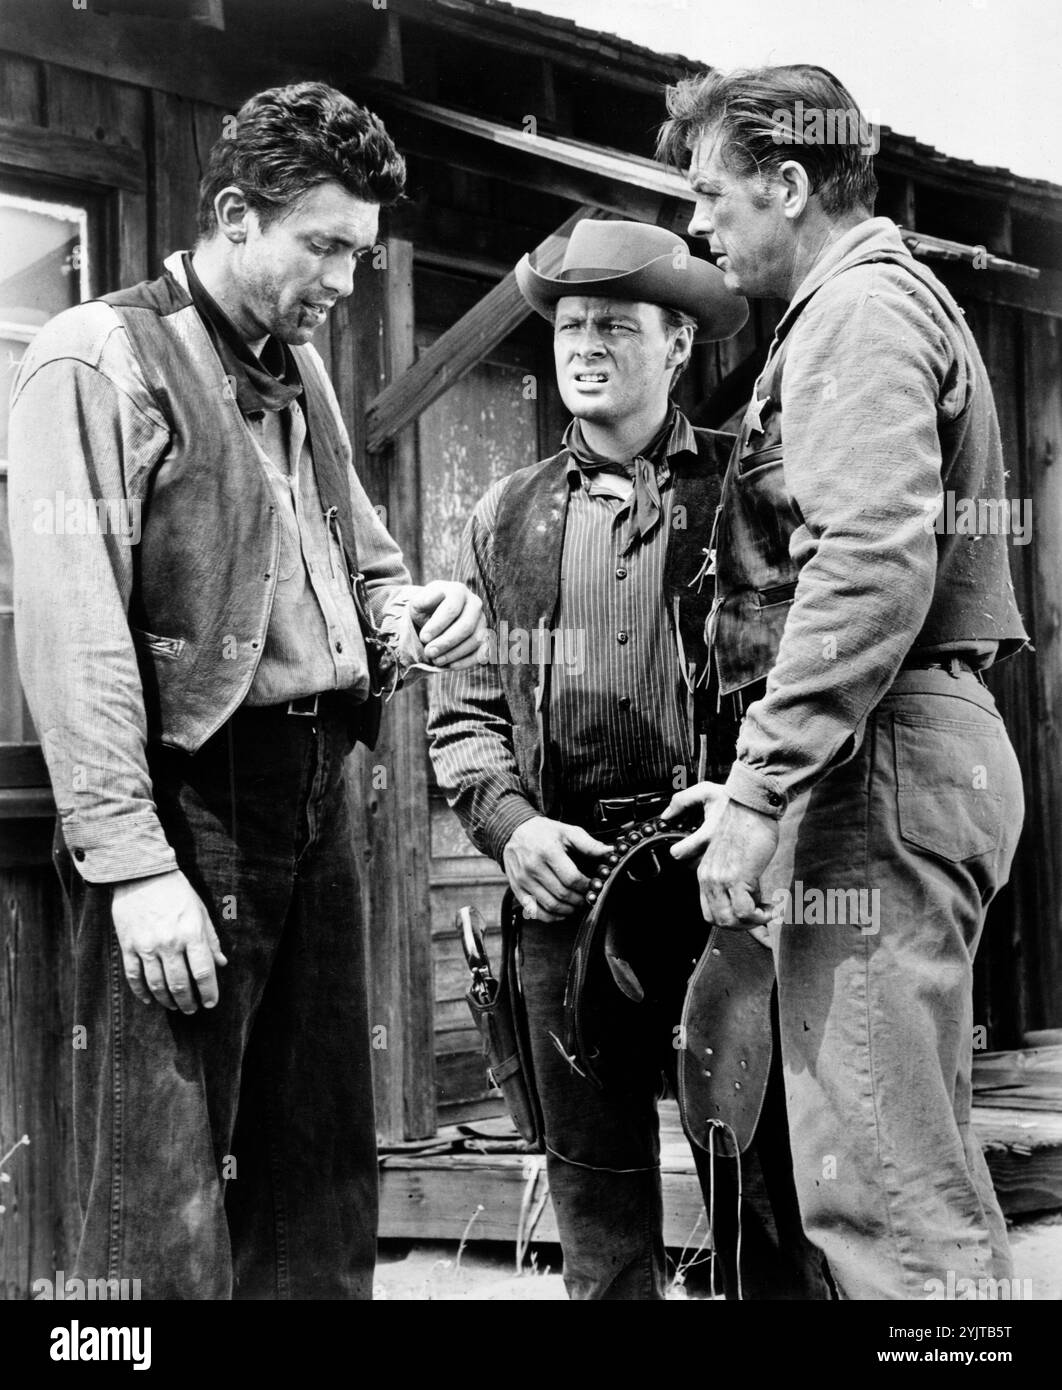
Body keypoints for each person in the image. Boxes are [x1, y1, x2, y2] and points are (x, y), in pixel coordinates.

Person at [7, 81, 485, 1300]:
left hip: (318, 794)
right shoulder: (97, 356)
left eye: (361, 255)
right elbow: (76, 637)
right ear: (231, 214)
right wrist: (133, 864)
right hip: (192, 805)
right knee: (157, 1204)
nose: (344, 280)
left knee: (319, 1177)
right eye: (323, 246)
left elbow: (363, 555)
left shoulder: (301, 368)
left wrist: (410, 612)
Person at [656, 64, 1028, 1299]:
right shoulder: (864, 308)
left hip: (885, 765)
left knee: (884, 1201)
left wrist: (762, 789)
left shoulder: (858, 312)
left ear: (791, 181)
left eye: (712, 195)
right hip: (890, 755)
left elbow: (870, 564)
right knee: (895, 1165)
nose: (697, 223)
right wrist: (759, 787)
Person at [427, 218, 829, 1300]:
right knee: (597, 1220)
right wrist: (512, 831)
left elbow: (809, 666)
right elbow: (460, 721)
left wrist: (752, 796)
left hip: (715, 877)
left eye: (615, 323)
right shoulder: (499, 517)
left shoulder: (747, 493)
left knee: (763, 1200)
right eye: (569, 324)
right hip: (563, 893)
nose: (584, 345)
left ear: (679, 345)